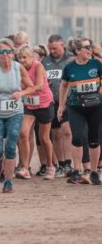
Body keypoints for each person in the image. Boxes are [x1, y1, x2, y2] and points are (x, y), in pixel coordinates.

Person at [0, 39, 34, 193]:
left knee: (11, 147)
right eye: (2, 52)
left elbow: (31, 87)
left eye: (8, 52)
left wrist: (21, 93)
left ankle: (9, 181)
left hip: (15, 113)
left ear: (13, 54)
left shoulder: (19, 68)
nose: (5, 55)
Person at [57, 37, 102, 185]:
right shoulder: (70, 67)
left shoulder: (96, 64)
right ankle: (77, 171)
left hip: (95, 107)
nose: (90, 50)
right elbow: (63, 86)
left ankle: (94, 172)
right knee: (77, 138)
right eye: (86, 47)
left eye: (90, 47)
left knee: (94, 140)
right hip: (75, 107)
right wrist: (61, 105)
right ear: (77, 51)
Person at [16, 45, 56, 180]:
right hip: (29, 105)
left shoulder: (38, 66)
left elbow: (38, 86)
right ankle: (25, 168)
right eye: (19, 58)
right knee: (23, 133)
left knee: (44, 138)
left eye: (24, 57)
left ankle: (50, 166)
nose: (21, 60)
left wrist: (22, 92)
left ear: (31, 57)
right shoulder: (18, 68)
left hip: (44, 104)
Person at [44, 35, 74, 176]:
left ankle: (68, 163)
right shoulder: (45, 61)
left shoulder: (70, 59)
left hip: (68, 101)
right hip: (51, 102)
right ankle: (61, 164)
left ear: (62, 45)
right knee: (55, 133)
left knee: (67, 131)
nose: (52, 51)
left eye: (55, 48)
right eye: (50, 48)